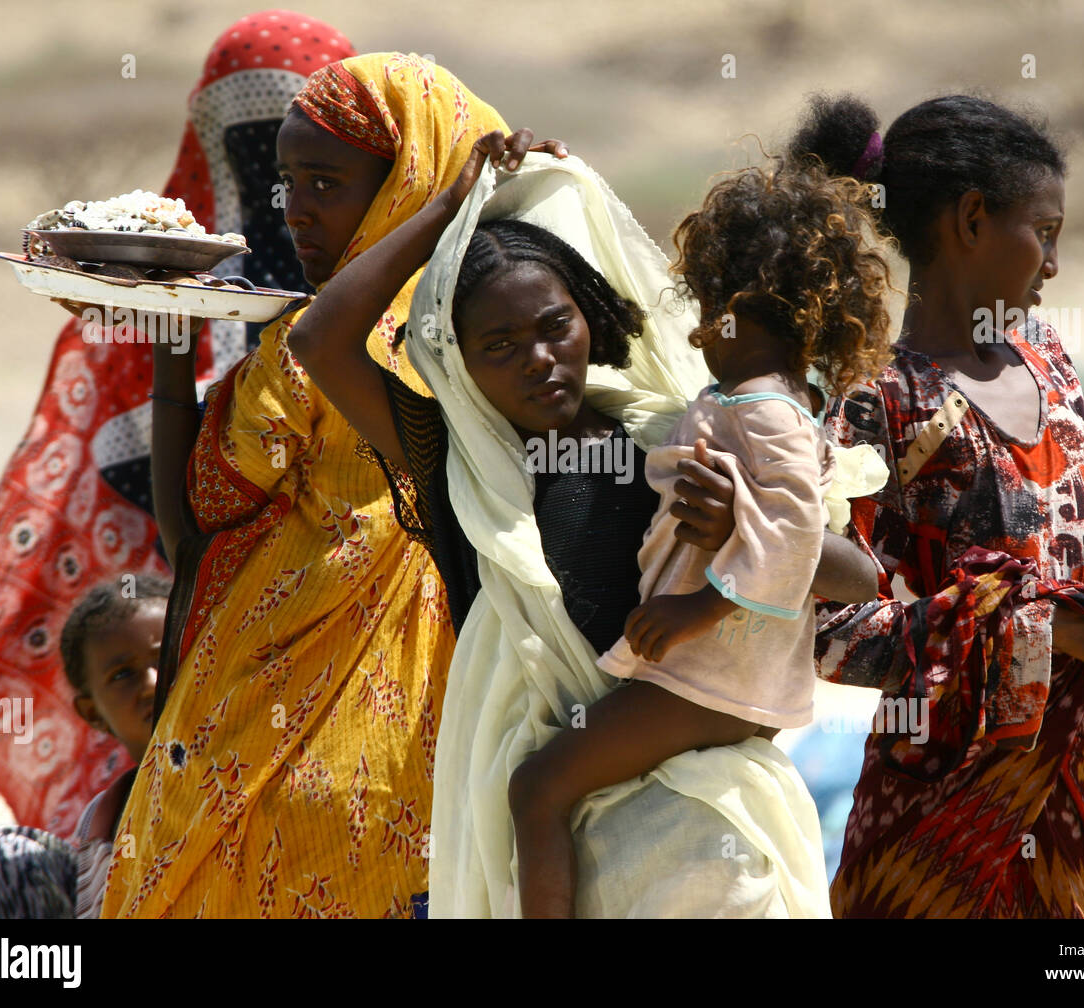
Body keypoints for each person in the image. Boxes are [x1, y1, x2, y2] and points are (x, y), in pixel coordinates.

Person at [290, 134, 872, 917]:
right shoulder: (463, 469)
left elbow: (855, 575)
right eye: (498, 346)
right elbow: (317, 339)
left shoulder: (667, 433)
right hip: (571, 840)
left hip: (699, 822)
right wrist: (449, 209)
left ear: (591, 316)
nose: (538, 359)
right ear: (459, 362)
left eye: (556, 325)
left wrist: (738, 520)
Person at [97, 52, 512, 919]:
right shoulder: (496, 330)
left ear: (412, 180)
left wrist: (174, 356)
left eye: (325, 182)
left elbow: (194, 525)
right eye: (288, 183)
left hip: (289, 773)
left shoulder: (320, 348)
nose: (296, 210)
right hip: (416, 773)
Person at [0, 10, 356, 838]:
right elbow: (140, 479)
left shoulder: (397, 296)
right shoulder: (174, 288)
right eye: (248, 143)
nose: (281, 192)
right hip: (205, 669)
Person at [801, 95, 1084, 917]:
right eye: (1045, 232)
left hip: (1063, 802)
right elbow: (829, 634)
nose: (1055, 265)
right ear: (972, 220)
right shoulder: (880, 400)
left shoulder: (1051, 365)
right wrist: (1039, 629)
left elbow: (1082, 565)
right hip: (936, 813)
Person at [506, 156, 893, 916]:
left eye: (709, 310)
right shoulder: (779, 400)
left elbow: (793, 531)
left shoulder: (763, 409)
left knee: (538, 787)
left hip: (714, 670)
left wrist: (701, 608)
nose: (693, 330)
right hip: (726, 674)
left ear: (744, 311)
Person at [59, 576, 170, 918]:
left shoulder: (257, 771)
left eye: (166, 656)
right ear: (93, 713)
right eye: (123, 675)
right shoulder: (100, 828)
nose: (152, 684)